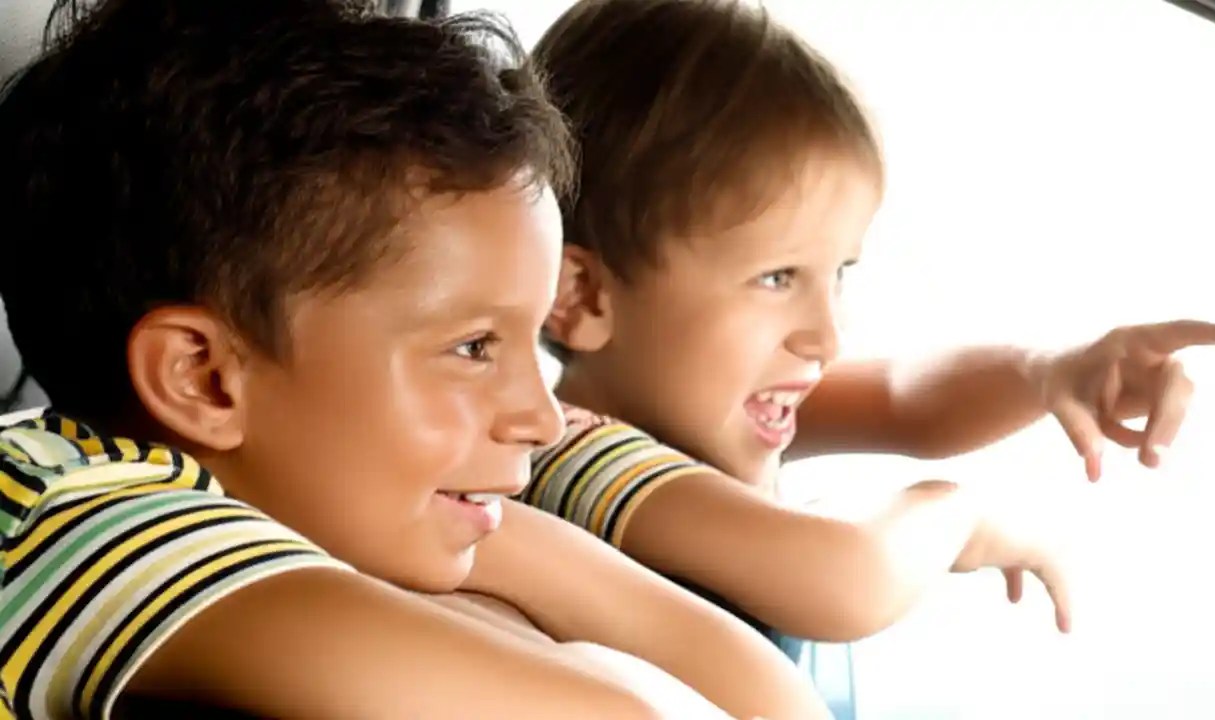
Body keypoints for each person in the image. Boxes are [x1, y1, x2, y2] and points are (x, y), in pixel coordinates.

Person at [0, 2, 829, 718]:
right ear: (204, 378)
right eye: (474, 348)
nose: (541, 418)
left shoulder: (310, 499)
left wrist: (501, 546)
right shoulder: (65, 515)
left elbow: (776, 698)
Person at [520, 0, 1215, 717]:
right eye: (777, 278)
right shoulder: (566, 456)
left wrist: (1051, 370)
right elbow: (844, 578)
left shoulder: (698, 414)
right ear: (582, 295)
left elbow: (908, 401)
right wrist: (959, 515)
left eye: (839, 272)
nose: (826, 336)